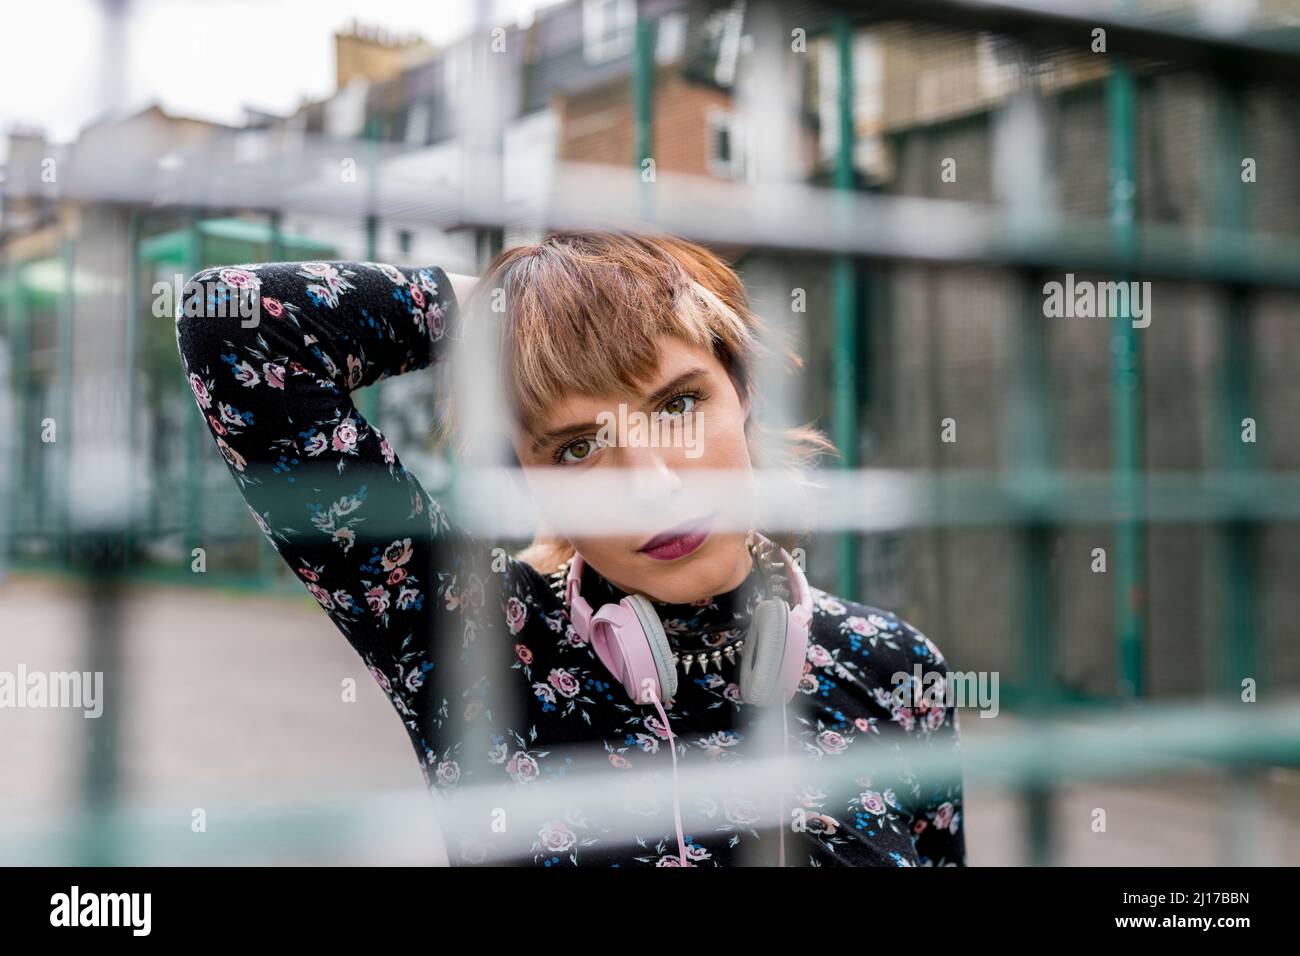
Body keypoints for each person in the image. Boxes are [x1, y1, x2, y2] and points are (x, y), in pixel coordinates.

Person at [174, 229, 966, 867]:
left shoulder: (894, 667)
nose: (652, 487)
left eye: (679, 404)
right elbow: (234, 321)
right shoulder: (478, 641)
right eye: (576, 449)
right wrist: (521, 306)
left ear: (746, 392)